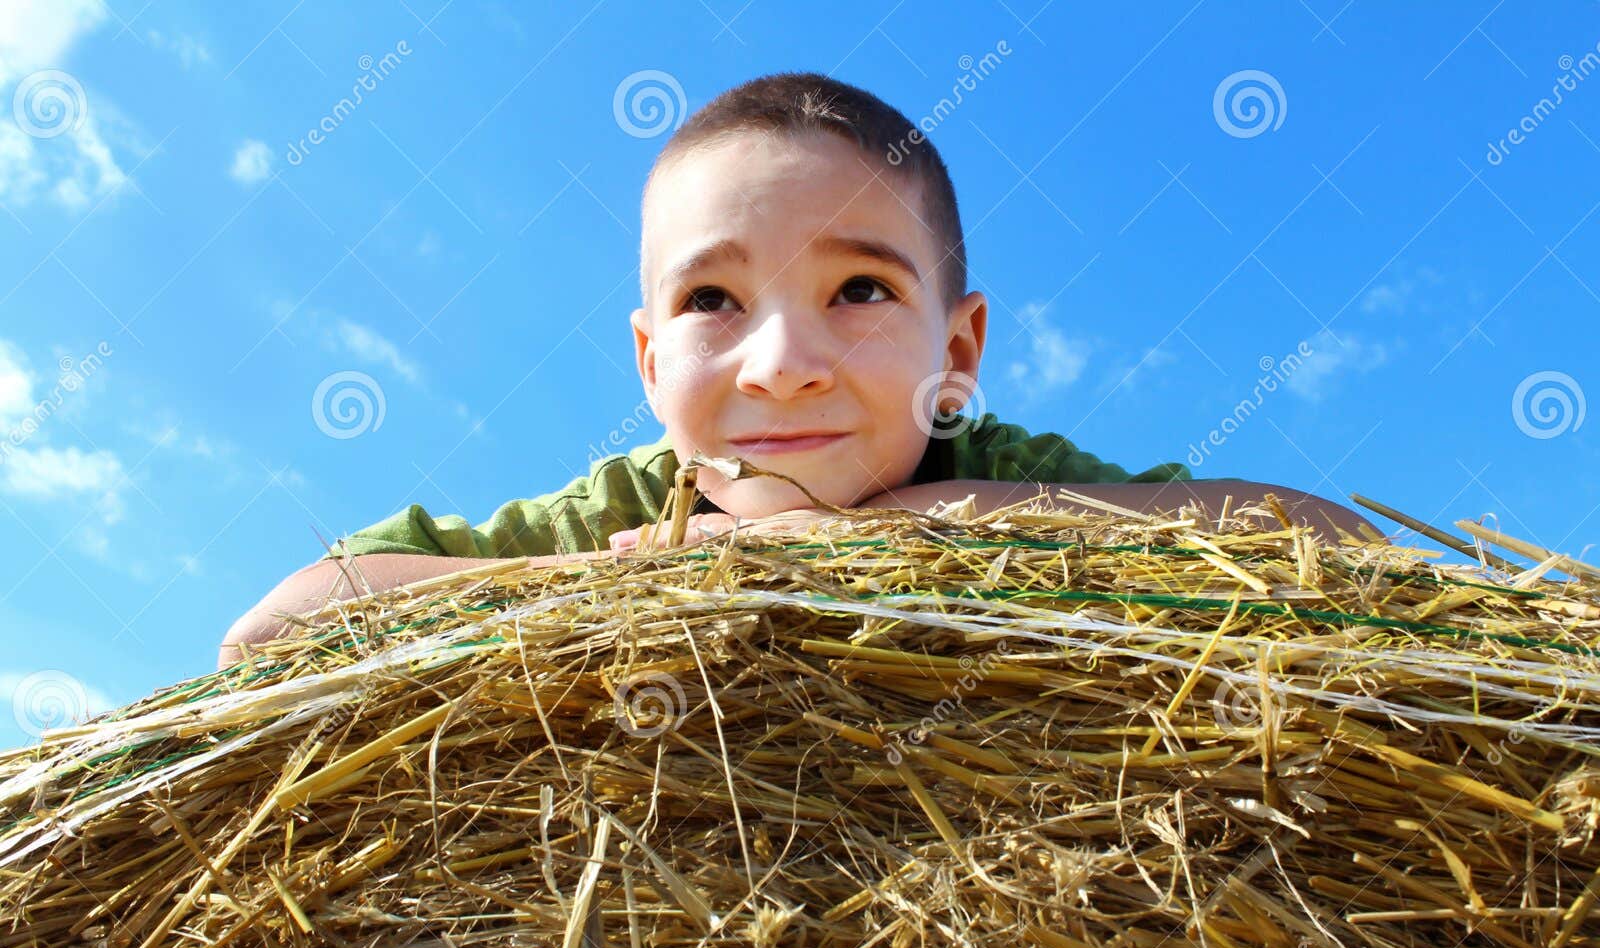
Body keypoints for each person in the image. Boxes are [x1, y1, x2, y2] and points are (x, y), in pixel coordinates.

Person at [217, 72, 1374, 668]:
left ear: (957, 353)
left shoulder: (988, 468)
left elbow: (1338, 542)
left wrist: (914, 529)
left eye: (859, 291)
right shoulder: (626, 512)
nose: (780, 366)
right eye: (712, 300)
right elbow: (271, 633)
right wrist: (627, 585)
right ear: (649, 356)